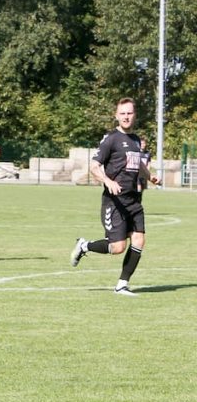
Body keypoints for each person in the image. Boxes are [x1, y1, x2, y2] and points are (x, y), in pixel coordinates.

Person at [70, 98, 159, 296]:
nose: (126, 117)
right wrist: (108, 181)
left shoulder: (136, 140)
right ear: (117, 116)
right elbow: (94, 166)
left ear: (134, 115)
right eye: (123, 113)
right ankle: (85, 246)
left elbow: (139, 163)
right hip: (114, 202)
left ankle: (122, 285)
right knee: (118, 247)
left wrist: (149, 176)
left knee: (139, 241)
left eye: (130, 113)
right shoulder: (111, 139)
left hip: (134, 201)